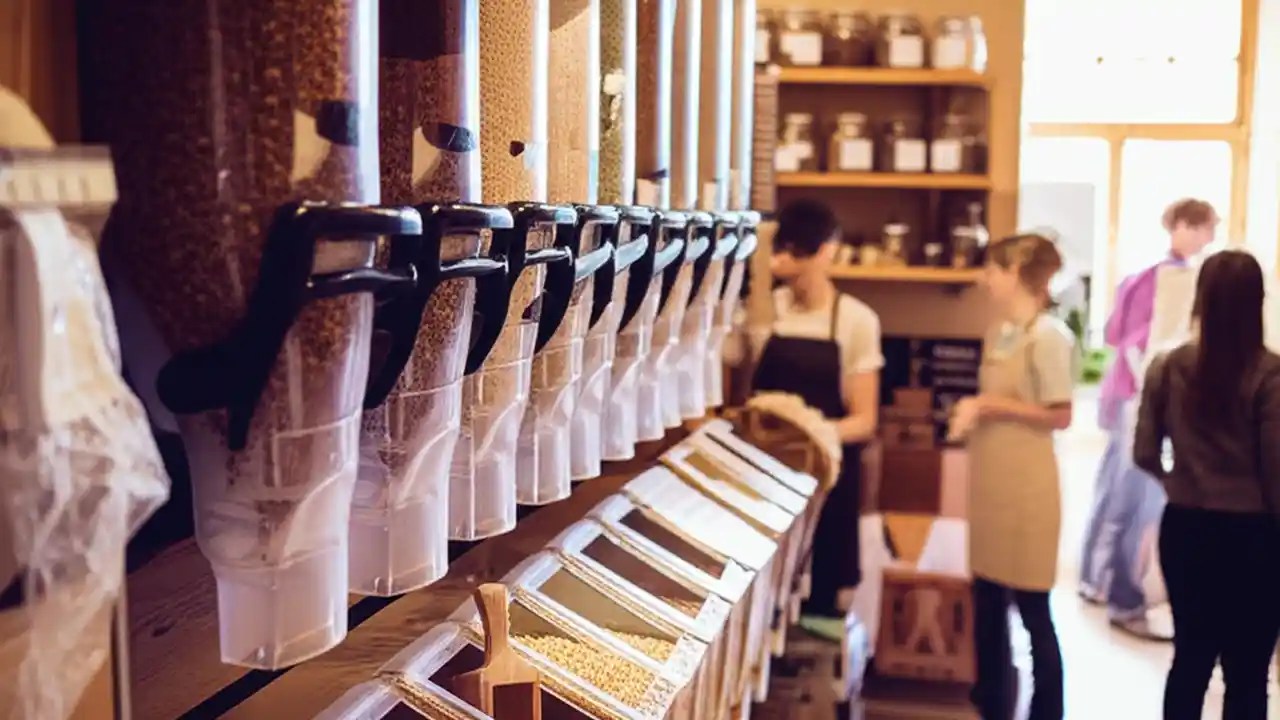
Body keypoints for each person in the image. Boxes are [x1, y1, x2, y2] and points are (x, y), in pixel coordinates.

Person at [1133, 250, 1280, 720]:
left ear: (1202, 299)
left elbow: (1142, 453)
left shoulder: (1167, 367)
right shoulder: (1271, 376)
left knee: (1190, 659)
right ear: (1257, 302)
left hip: (1187, 528)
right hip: (1256, 536)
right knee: (1248, 673)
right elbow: (1277, 473)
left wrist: (1179, 480)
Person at [1079, 199, 1219, 639]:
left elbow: (1116, 334)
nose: (1205, 239)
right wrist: (1159, 395)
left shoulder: (1145, 275)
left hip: (1123, 393)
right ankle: (1123, 599)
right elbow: (1140, 343)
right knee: (1135, 498)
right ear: (1180, 226)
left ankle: (1095, 581)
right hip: (1137, 396)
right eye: (1201, 229)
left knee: (1112, 491)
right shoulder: (1168, 277)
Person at [950, 233, 1074, 720]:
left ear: (1018, 272)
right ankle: (993, 702)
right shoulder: (1002, 331)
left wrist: (988, 405)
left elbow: (1061, 414)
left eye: (992, 270)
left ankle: (1048, 711)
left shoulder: (1049, 336)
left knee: (1033, 613)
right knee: (986, 603)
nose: (985, 279)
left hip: (1028, 494)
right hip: (992, 487)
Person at [746, 198, 883, 634]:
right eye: (781, 252)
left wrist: (806, 433)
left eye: (798, 253)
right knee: (763, 604)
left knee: (818, 610)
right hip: (764, 473)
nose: (787, 264)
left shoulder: (857, 320)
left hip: (827, 480)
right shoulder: (764, 311)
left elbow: (864, 420)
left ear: (827, 251)